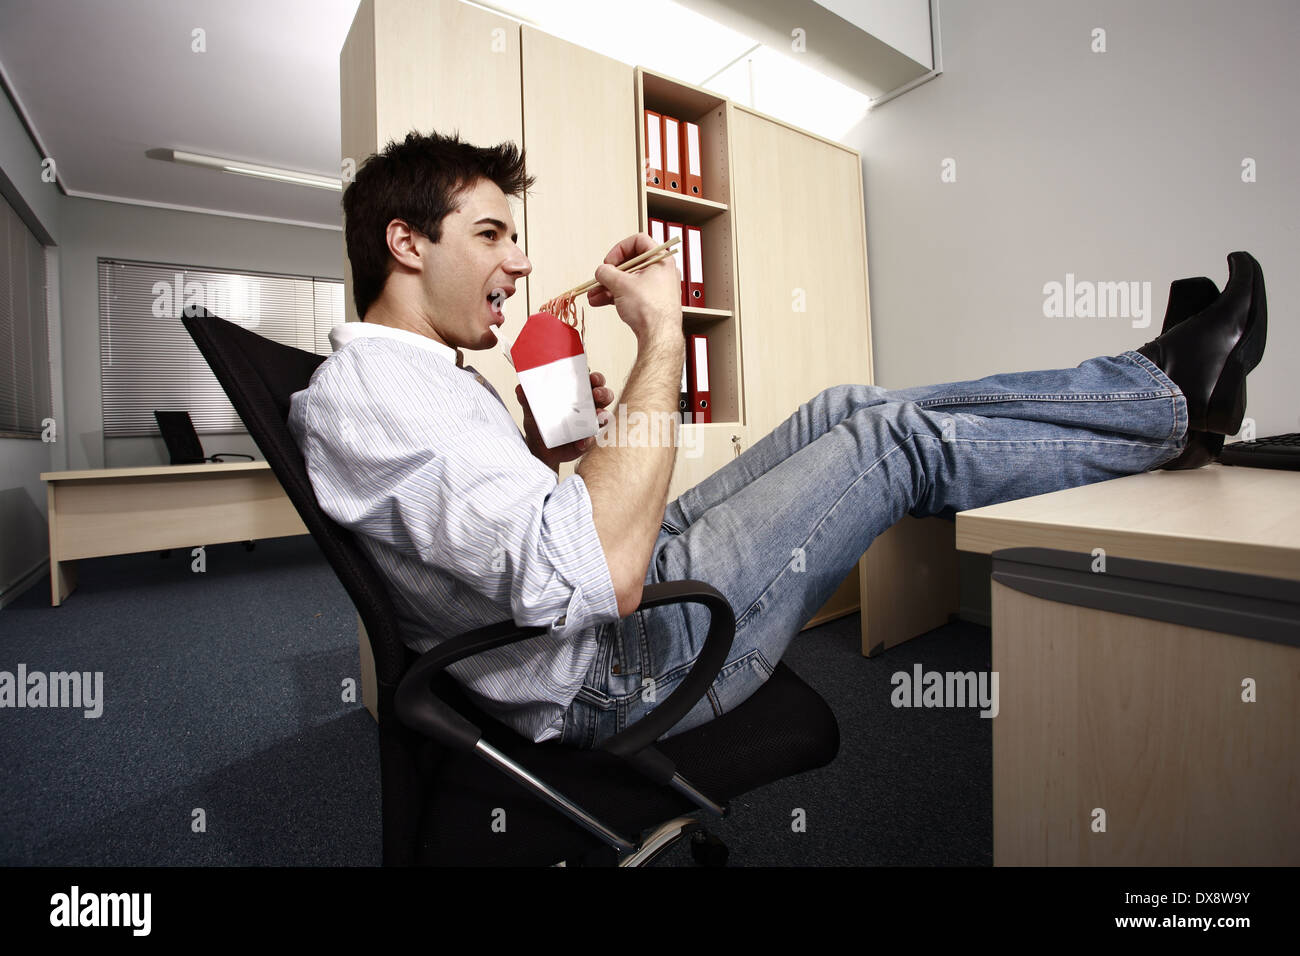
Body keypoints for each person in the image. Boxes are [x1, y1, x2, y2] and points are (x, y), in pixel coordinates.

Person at [287, 131, 1267, 748]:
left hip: (605, 603)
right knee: (892, 445)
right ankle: (1169, 397)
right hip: (621, 664)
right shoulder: (367, 389)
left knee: (846, 405)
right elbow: (595, 573)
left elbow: (526, 535)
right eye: (494, 234)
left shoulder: (420, 380)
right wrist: (662, 335)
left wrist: (549, 453)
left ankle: (1154, 388)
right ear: (407, 243)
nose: (522, 258)